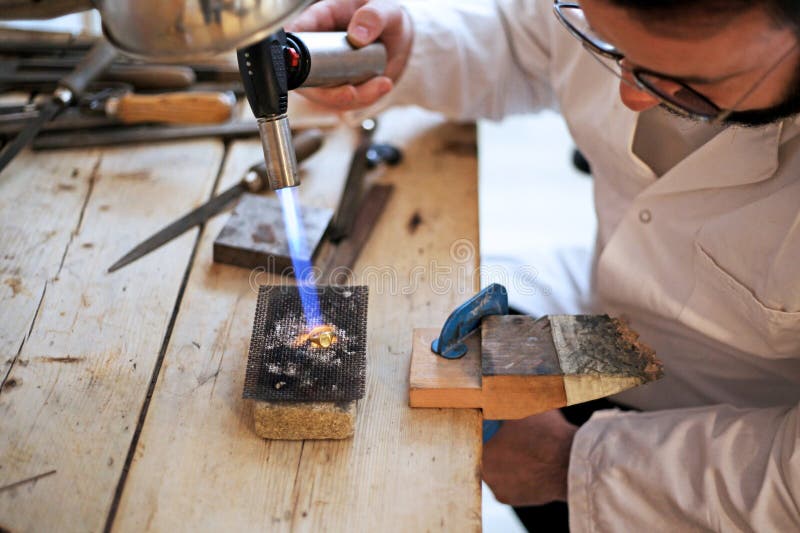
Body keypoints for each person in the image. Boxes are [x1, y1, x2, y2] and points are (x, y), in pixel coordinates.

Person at [288, 0, 800, 530]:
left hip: (723, 466)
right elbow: (519, 40)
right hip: (607, 323)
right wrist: (405, 50)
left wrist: (569, 464)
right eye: (610, 45)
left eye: (689, 82)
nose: (628, 93)